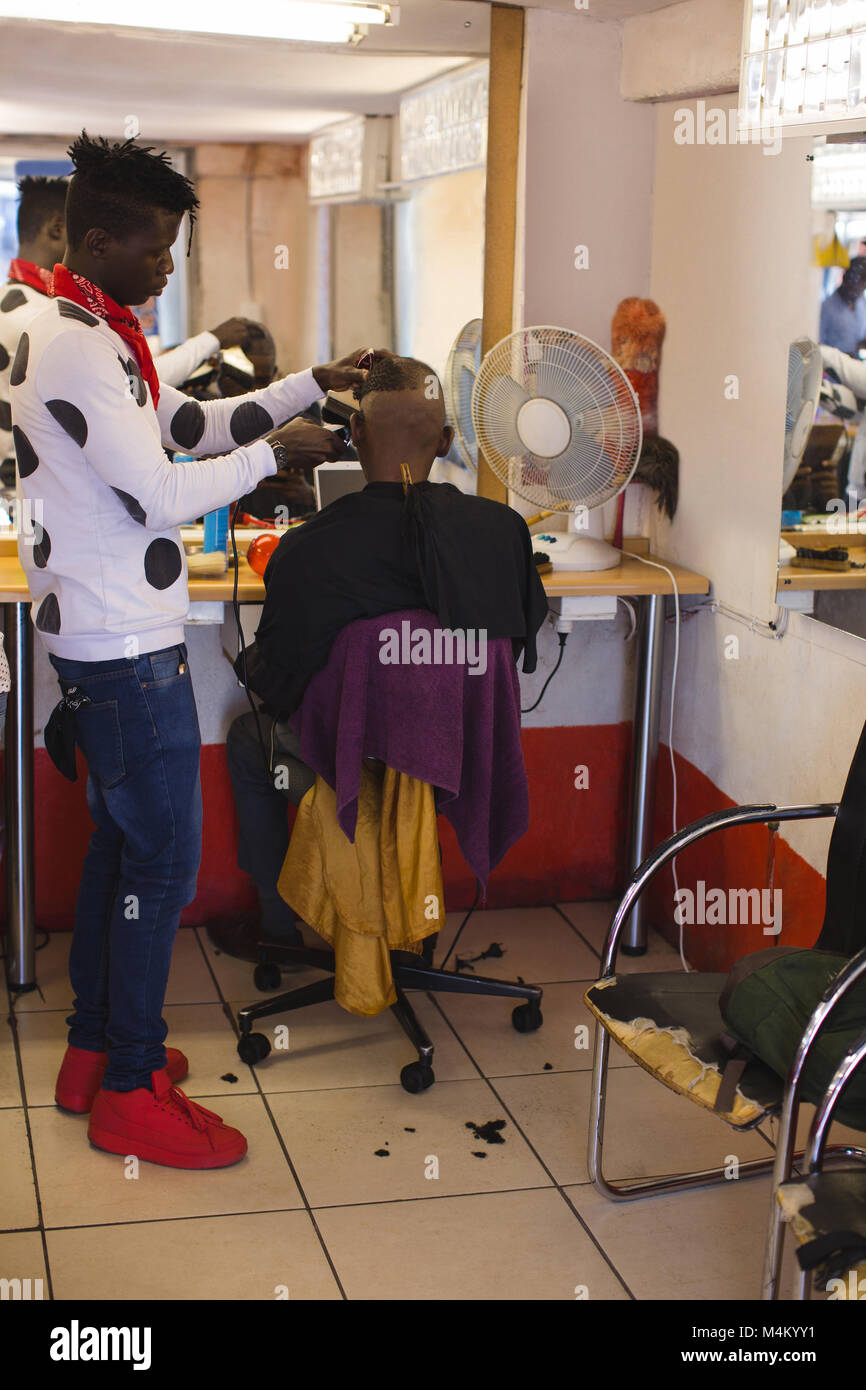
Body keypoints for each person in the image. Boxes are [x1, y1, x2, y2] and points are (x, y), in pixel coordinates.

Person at [10, 129, 386, 1169]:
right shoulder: (82, 344)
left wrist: (307, 385)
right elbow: (165, 489)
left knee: (121, 852)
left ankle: (93, 1050)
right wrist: (279, 456)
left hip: (96, 628)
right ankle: (131, 1082)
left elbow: (177, 425)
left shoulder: (67, 317)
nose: (169, 269)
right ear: (95, 236)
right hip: (125, 643)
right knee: (162, 863)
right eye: (157, 249)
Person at [209, 355, 548, 963]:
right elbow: (520, 641)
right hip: (458, 758)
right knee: (409, 744)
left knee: (246, 739)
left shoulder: (310, 548)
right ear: (446, 442)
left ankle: (275, 928)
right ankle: (413, 926)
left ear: (354, 436)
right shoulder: (502, 533)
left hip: (349, 767)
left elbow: (278, 680)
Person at [0, 176, 68, 493]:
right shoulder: (39, 316)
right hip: (20, 494)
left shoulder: (10, 304)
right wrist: (211, 341)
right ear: (57, 228)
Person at [819, 258, 866, 356]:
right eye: (856, 282)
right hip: (833, 367)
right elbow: (819, 350)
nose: (858, 288)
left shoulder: (861, 302)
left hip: (855, 362)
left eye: (863, 285)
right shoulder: (827, 309)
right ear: (845, 278)